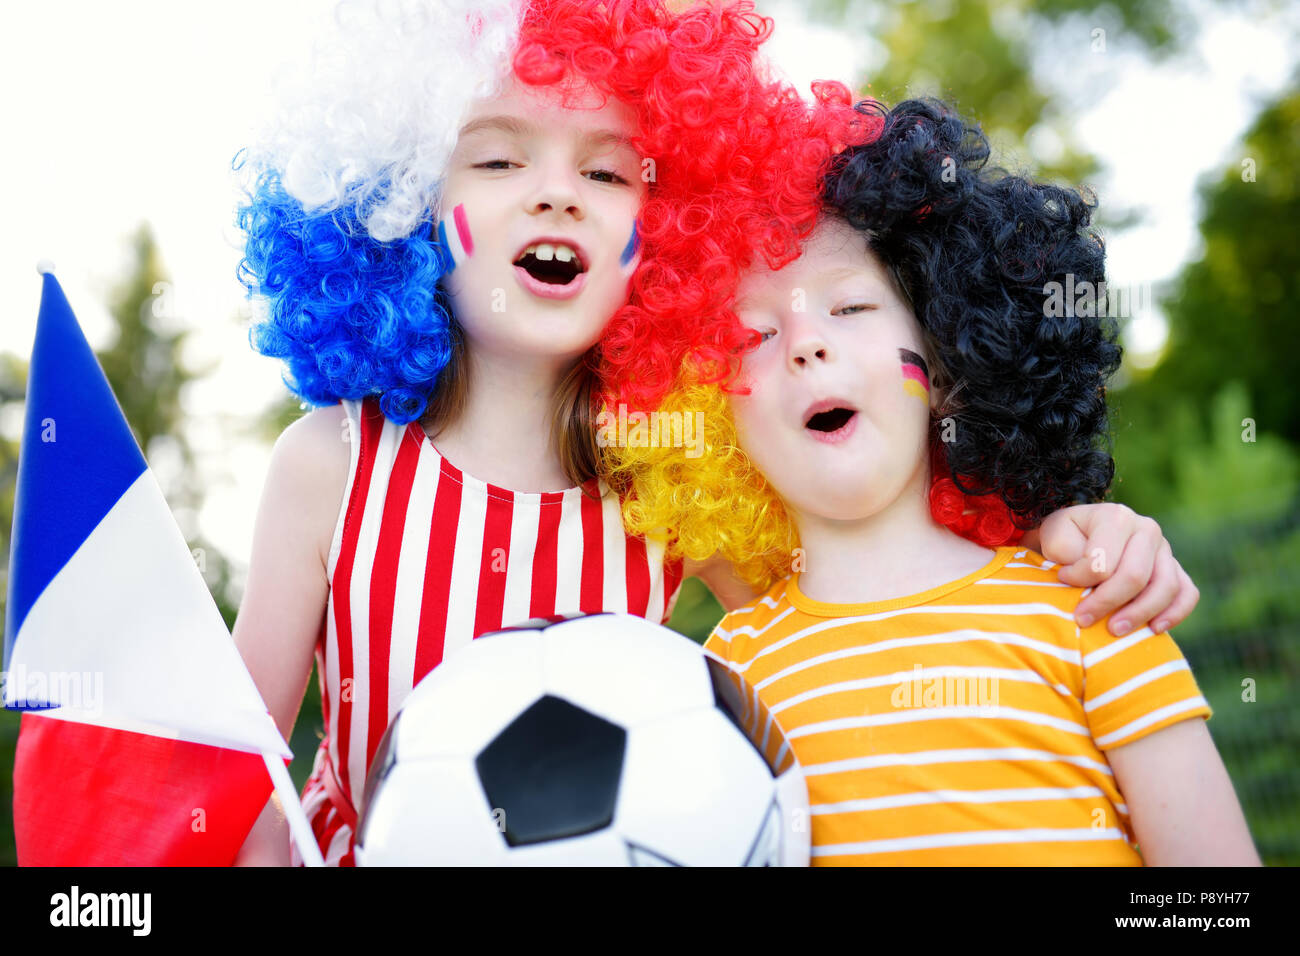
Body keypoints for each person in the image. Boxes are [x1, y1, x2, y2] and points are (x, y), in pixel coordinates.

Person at [230, 0, 1201, 866]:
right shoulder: (332, 464)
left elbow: (869, 587)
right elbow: (236, 761)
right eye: (496, 157)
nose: (557, 191)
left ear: (667, 238)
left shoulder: (663, 477)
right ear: (395, 208)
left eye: (608, 169)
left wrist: (1074, 530)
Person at [695, 97, 1259, 864]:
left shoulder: (1093, 609)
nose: (805, 346)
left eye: (850, 305)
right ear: (706, 414)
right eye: (752, 335)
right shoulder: (718, 681)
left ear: (946, 359)